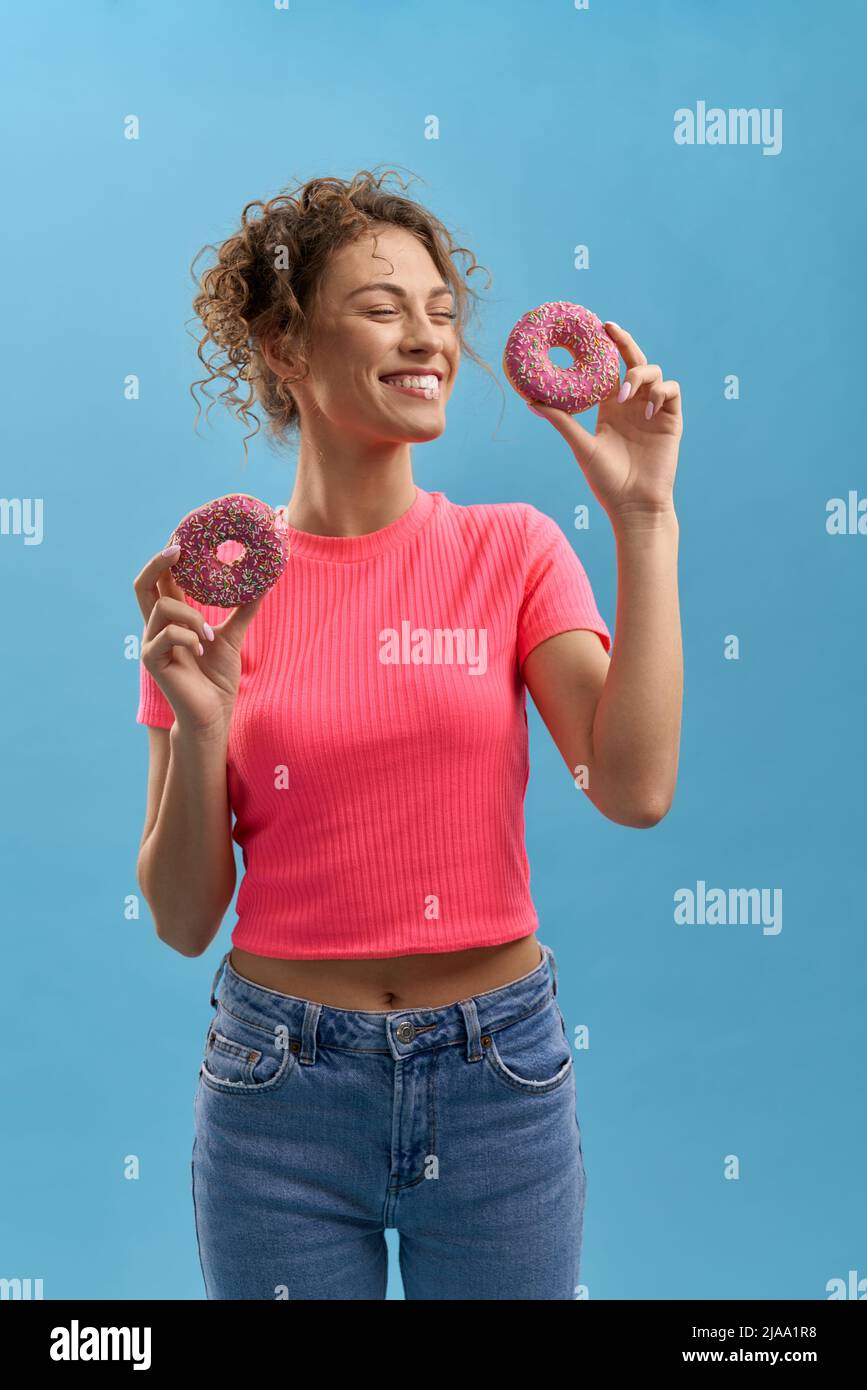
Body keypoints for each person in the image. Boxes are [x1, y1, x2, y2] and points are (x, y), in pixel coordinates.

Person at [133, 168, 683, 1300]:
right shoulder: (212, 588)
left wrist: (644, 520)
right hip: (276, 1087)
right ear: (284, 342)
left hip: (499, 1082)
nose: (427, 336)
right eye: (382, 308)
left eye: (441, 310)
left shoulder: (514, 551)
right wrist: (201, 726)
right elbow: (186, 918)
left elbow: (632, 788)